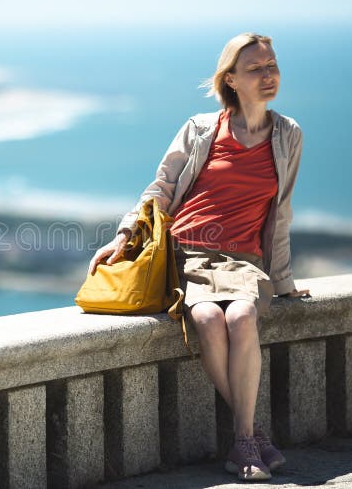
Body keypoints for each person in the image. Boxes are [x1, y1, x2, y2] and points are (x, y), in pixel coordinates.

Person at [88, 32, 310, 481]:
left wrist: (283, 282)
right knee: (208, 319)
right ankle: (250, 437)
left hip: (244, 259)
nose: (268, 75)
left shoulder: (288, 135)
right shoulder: (200, 129)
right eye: (255, 69)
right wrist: (124, 234)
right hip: (187, 252)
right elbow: (162, 190)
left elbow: (281, 212)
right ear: (231, 79)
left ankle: (243, 439)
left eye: (272, 66)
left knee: (242, 316)